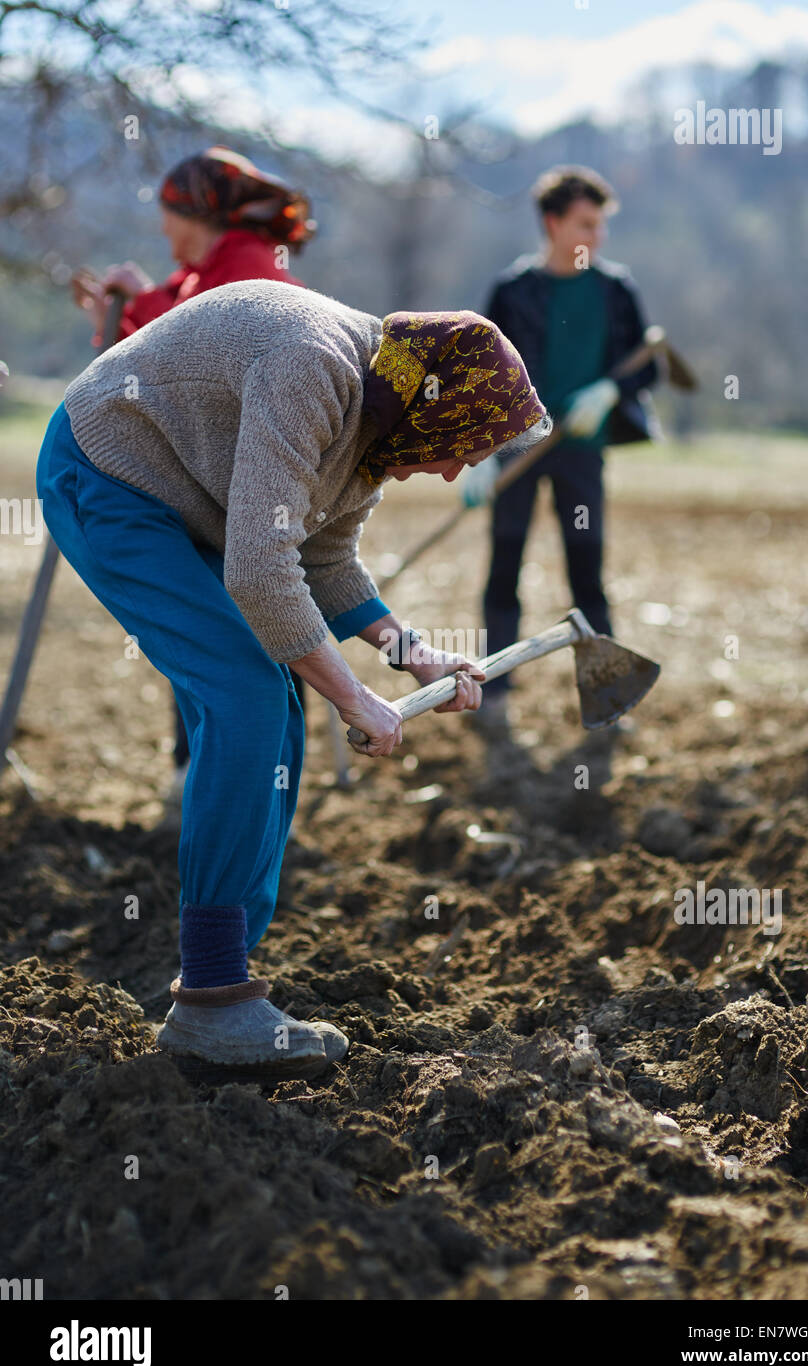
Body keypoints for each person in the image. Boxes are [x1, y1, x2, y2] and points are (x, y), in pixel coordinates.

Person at [35, 281, 548, 1079]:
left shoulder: (383, 417)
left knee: (273, 697)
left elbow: (325, 558)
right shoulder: (313, 369)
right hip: (111, 472)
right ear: (439, 410)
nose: (453, 474)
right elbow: (260, 570)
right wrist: (354, 697)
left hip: (191, 502)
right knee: (243, 696)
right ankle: (211, 998)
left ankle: (227, 974)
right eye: (465, 448)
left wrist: (412, 653)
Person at [70, 146, 316, 795]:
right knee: (209, 634)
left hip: (243, 485)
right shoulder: (209, 270)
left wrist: (130, 308)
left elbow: (178, 344)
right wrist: (116, 313)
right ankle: (207, 776)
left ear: (197, 213)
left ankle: (258, 785)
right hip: (204, 483)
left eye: (168, 214)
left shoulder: (245, 272)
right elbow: (149, 351)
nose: (162, 230)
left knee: (254, 631)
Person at [470, 165, 658, 732]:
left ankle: (608, 695)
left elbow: (644, 366)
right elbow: (480, 373)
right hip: (517, 446)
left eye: (601, 225)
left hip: (581, 449)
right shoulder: (512, 291)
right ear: (553, 223)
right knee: (505, 566)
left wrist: (608, 390)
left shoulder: (616, 290)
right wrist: (479, 455)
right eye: (586, 224)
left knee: (586, 568)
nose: (596, 237)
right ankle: (494, 694)